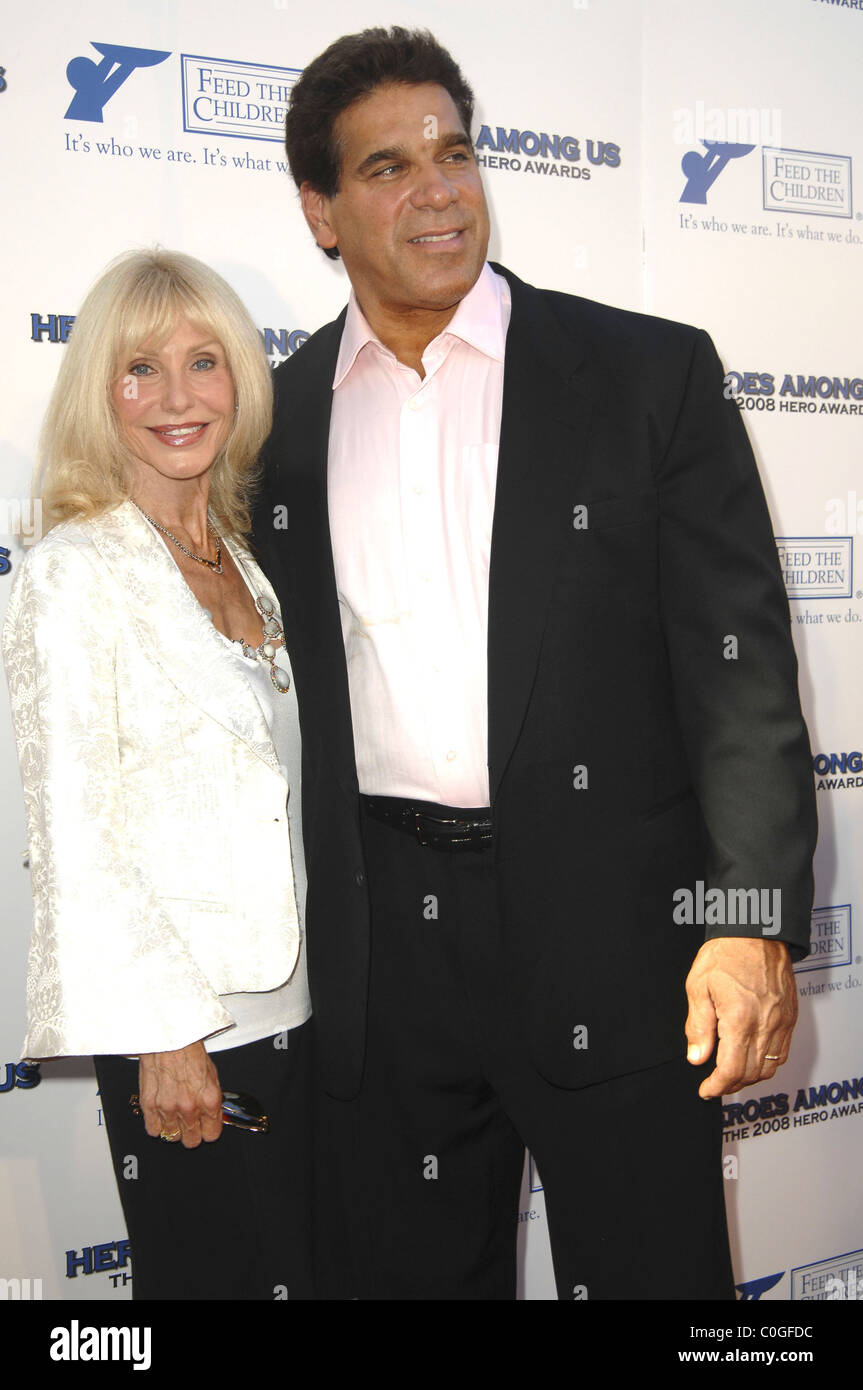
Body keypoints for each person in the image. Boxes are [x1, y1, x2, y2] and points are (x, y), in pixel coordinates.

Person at [253, 27, 817, 1300]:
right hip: (383, 964)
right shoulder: (271, 424)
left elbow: (738, 681)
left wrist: (742, 924)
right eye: (387, 168)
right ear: (320, 213)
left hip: (622, 950)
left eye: (453, 152)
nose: (439, 190)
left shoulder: (644, 375)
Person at [2, 249, 314, 1300]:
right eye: (141, 370)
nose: (178, 397)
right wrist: (164, 1037)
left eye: (204, 362)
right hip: (195, 1036)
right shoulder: (73, 573)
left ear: (242, 381)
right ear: (100, 392)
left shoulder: (241, 560)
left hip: (304, 1020)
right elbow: (74, 829)